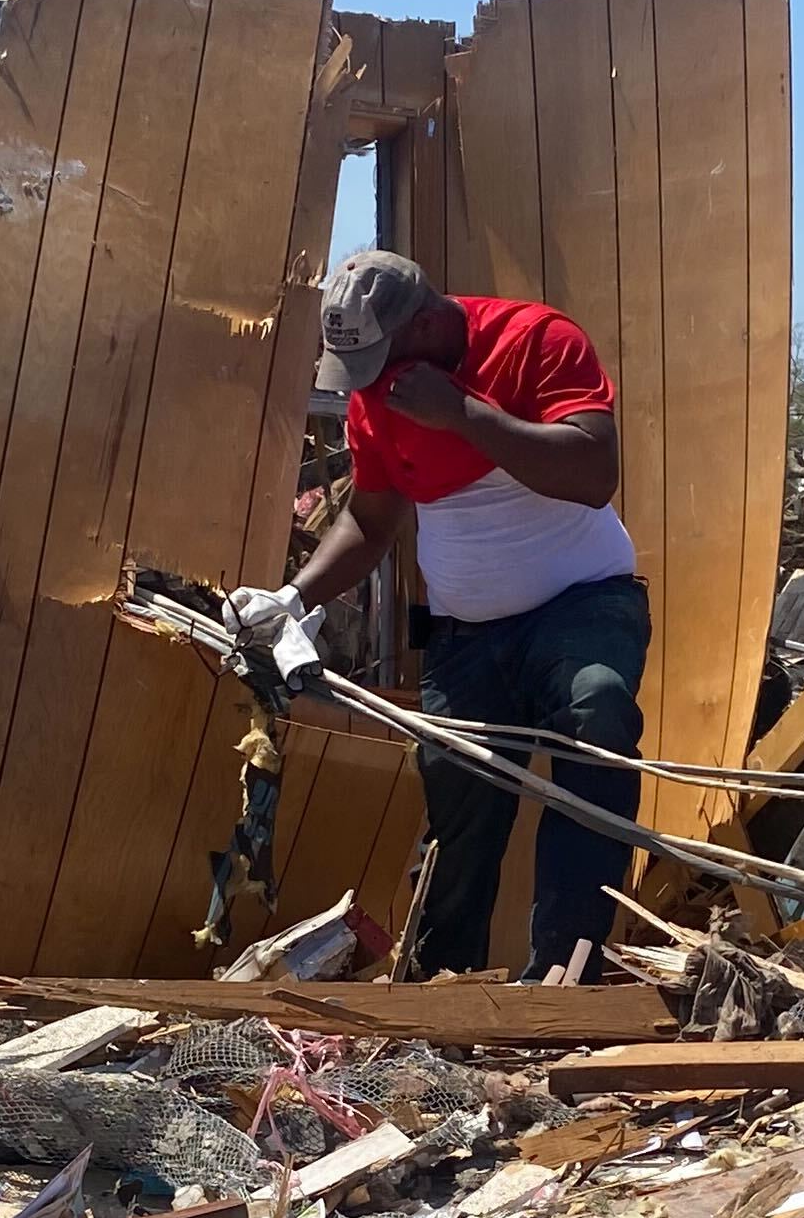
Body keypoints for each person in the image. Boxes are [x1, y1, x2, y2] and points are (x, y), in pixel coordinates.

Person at [236, 247, 650, 977]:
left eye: (380, 359)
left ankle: (568, 973)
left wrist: (460, 412)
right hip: (466, 636)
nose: (370, 385)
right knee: (459, 800)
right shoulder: (379, 396)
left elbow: (593, 473)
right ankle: (444, 989)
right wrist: (294, 597)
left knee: (598, 714)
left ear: (427, 323)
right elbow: (371, 519)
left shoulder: (536, 341)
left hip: (581, 605)